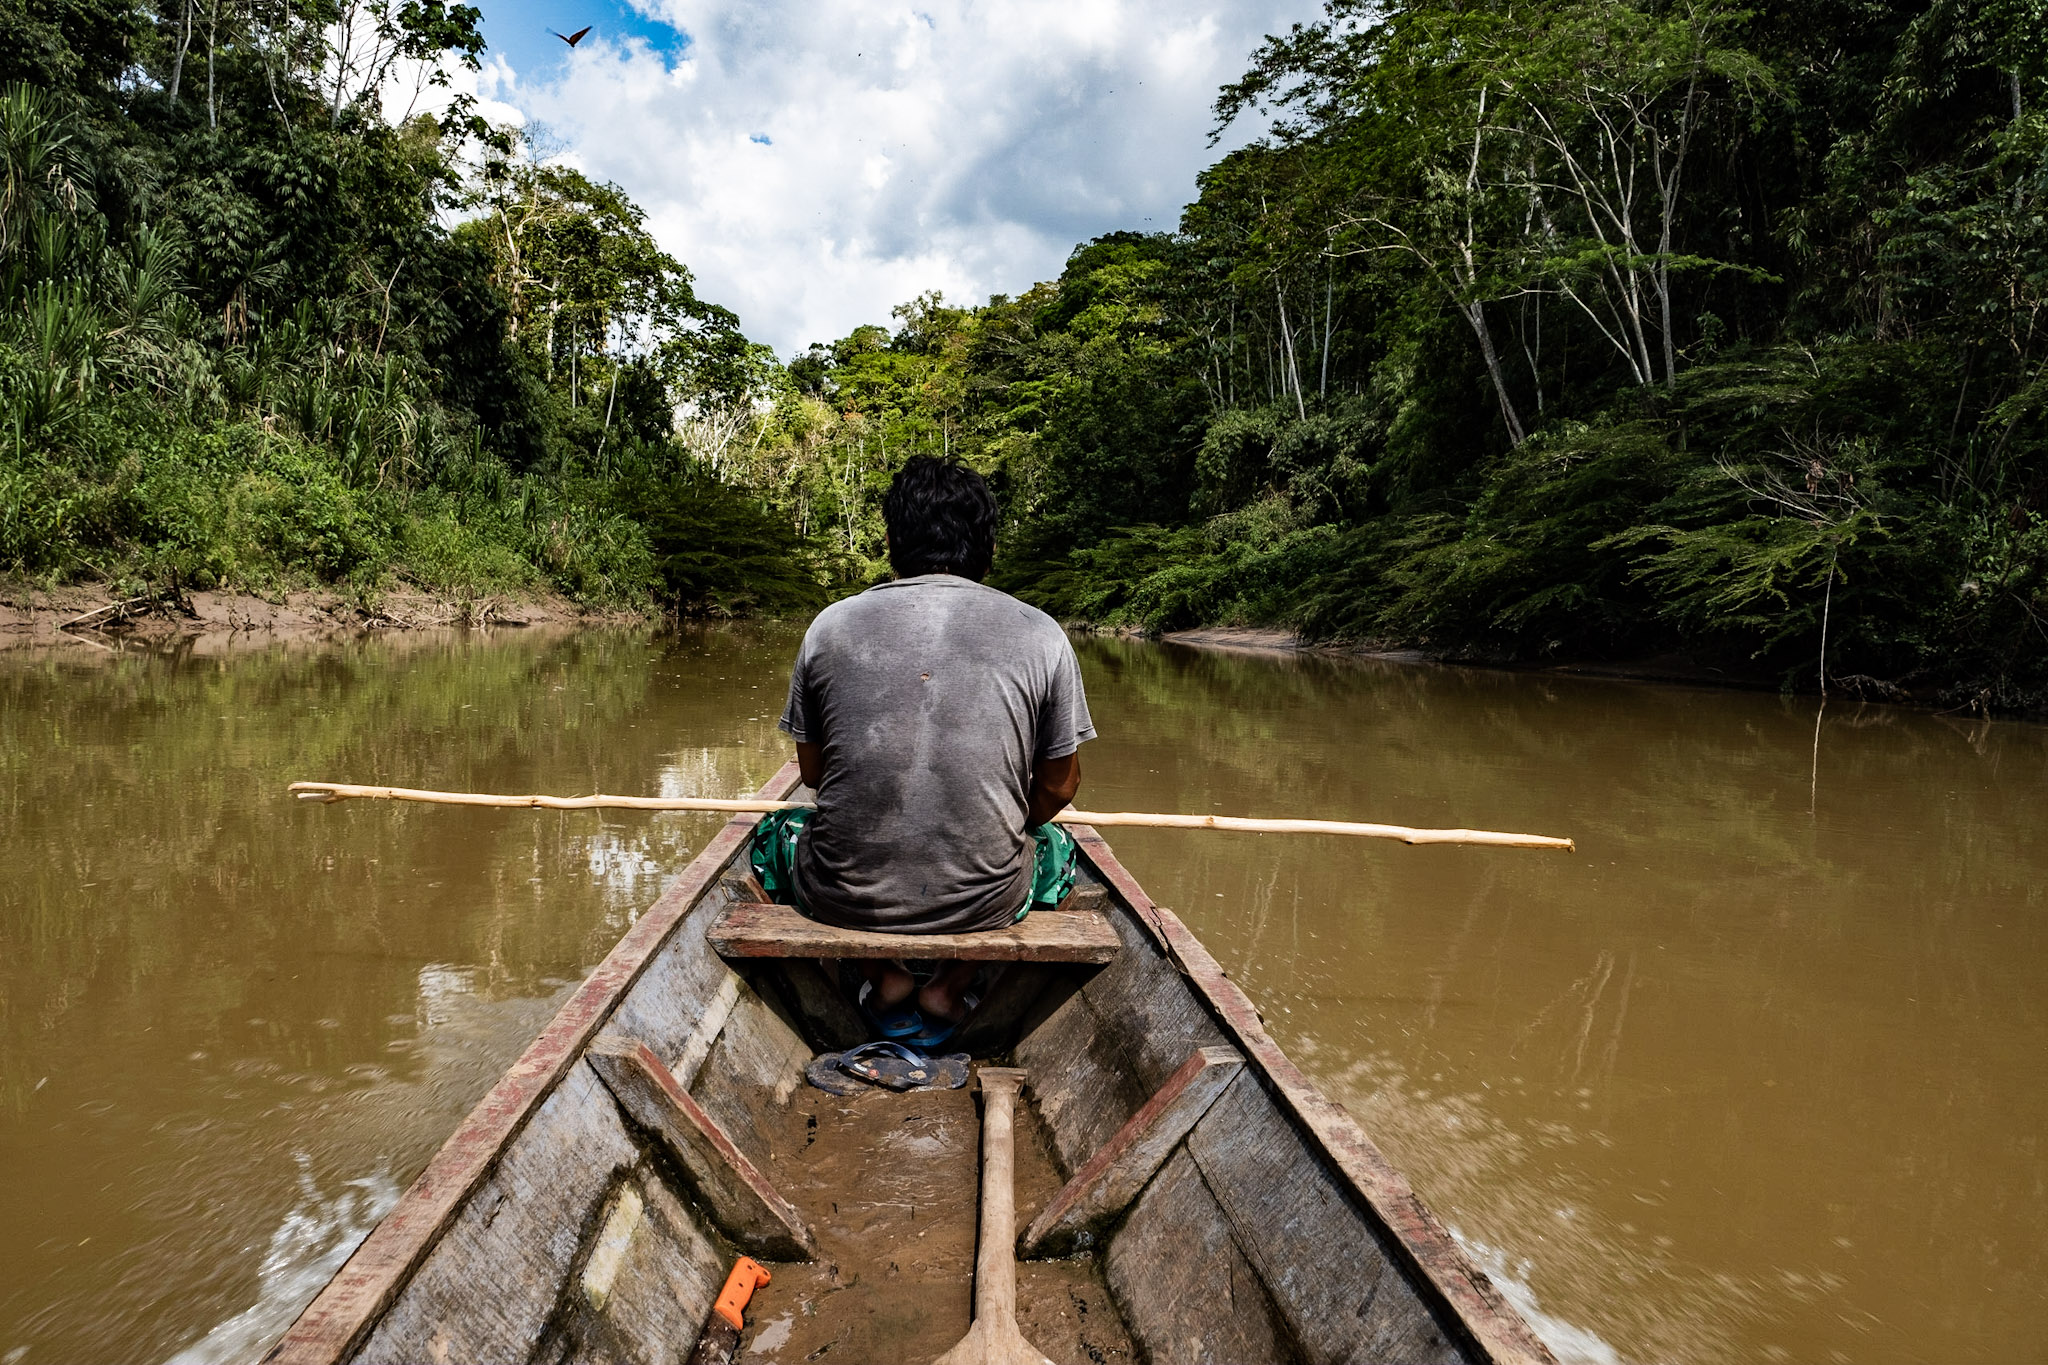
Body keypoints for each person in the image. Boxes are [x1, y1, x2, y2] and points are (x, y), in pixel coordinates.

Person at [749, 456, 1095, 1048]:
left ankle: (884, 978)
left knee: (771, 835)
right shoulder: (1042, 633)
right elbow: (1061, 787)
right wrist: (1014, 821)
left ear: (891, 542)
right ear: (986, 547)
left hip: (841, 897)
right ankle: (948, 986)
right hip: (985, 902)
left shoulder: (828, 627)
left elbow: (812, 775)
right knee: (1060, 849)